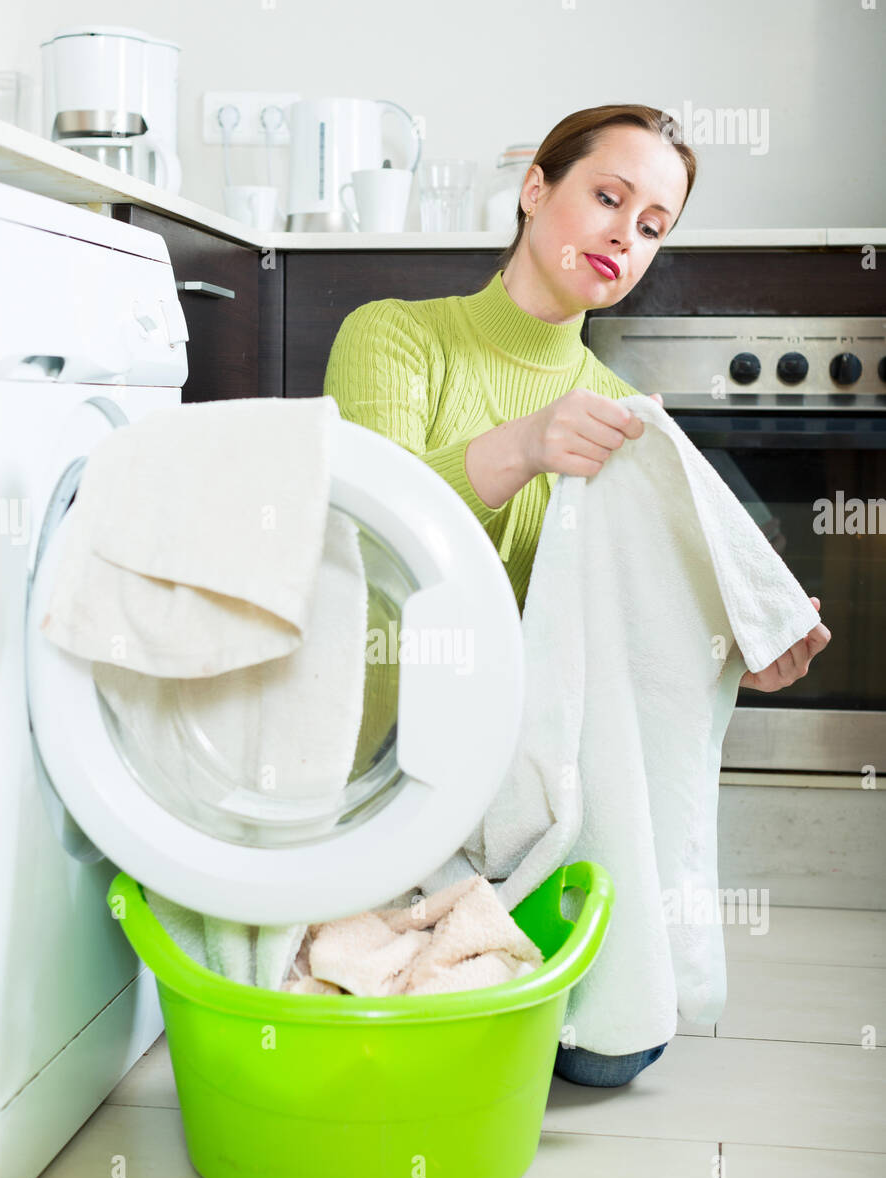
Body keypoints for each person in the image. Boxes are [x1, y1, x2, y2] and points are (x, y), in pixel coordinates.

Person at [323, 104, 831, 1088]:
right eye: (607, 197)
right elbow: (369, 548)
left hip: (528, 772)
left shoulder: (618, 415)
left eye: (651, 226)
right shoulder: (393, 338)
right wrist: (520, 447)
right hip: (394, 744)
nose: (623, 237)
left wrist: (733, 640)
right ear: (533, 189)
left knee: (615, 1050)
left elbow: (637, 631)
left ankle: (481, 927)